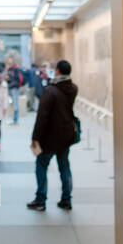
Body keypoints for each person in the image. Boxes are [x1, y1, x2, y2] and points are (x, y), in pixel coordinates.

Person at [27, 59, 78, 212]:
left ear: (57, 71)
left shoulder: (50, 91)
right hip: (66, 134)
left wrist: (35, 137)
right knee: (64, 167)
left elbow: (42, 116)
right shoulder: (73, 88)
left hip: (50, 136)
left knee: (41, 166)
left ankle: (41, 199)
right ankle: (66, 199)